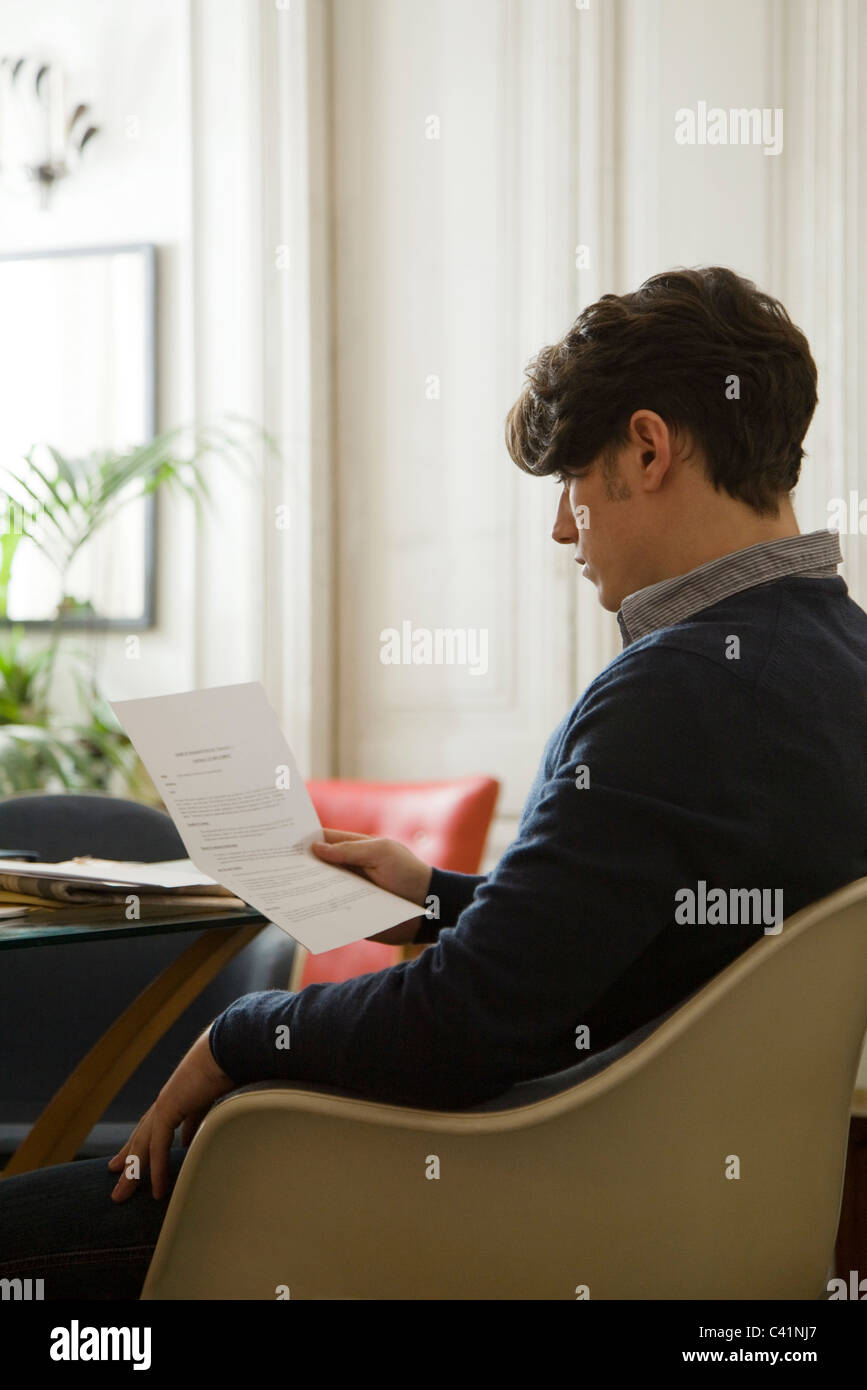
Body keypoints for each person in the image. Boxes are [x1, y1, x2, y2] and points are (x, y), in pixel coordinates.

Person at [2, 265, 866, 1299]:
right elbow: (633, 944)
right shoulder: (837, 663)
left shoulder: (681, 689)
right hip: (678, 1213)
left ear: (647, 448)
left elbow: (460, 1028)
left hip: (492, 1208)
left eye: (574, 484)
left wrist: (242, 1034)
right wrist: (434, 899)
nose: (561, 529)